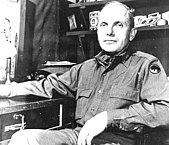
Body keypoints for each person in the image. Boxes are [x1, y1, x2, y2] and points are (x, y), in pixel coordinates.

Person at [1, 1, 169, 145]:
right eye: (104, 24)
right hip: (79, 137)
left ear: (131, 34)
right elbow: (49, 85)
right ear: (97, 30)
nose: (109, 31)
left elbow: (165, 110)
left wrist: (108, 118)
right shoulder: (86, 68)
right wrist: (10, 90)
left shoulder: (146, 65)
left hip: (118, 141)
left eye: (118, 25)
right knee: (24, 138)